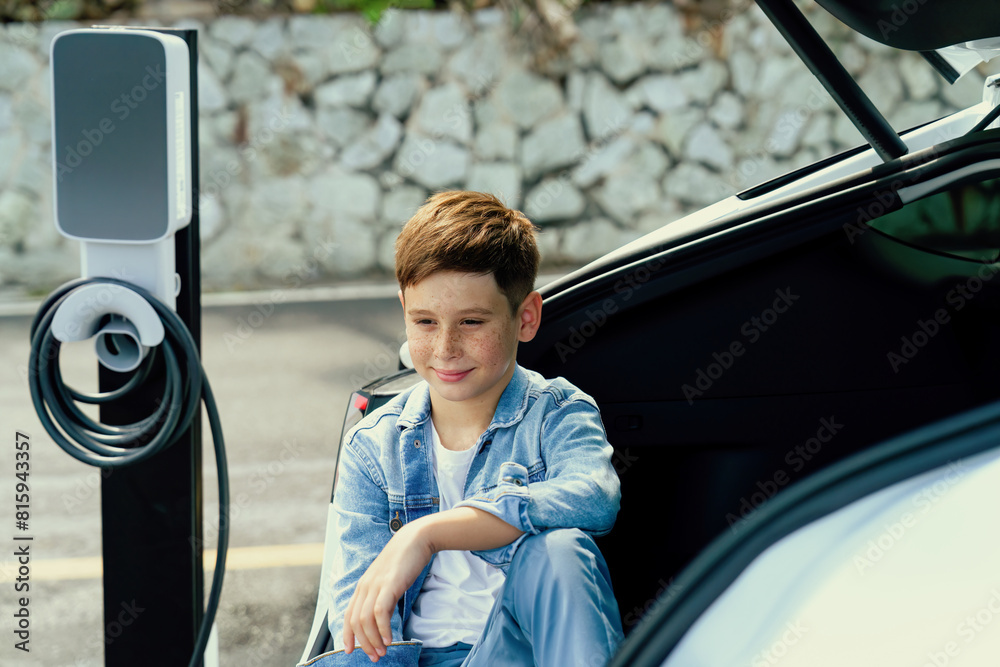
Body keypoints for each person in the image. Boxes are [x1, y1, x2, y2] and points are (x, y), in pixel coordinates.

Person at [319, 191, 623, 667]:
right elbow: (359, 621)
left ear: (525, 318)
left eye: (471, 321)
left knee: (562, 549)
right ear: (403, 309)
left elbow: (593, 498)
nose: (445, 347)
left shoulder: (557, 412)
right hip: (416, 660)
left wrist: (427, 534)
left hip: (519, 650)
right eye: (424, 321)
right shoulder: (374, 446)